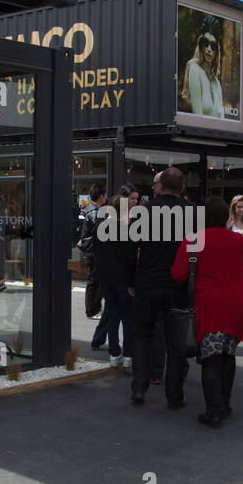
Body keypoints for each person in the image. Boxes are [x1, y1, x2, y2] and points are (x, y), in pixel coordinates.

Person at [171, 196, 243, 427]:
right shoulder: (241, 242)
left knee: (211, 358)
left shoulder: (194, 240)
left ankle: (214, 411)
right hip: (238, 304)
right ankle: (225, 405)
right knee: (228, 355)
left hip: (210, 305)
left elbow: (178, 274)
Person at [130, 167, 192, 408]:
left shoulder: (144, 211)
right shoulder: (193, 213)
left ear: (160, 186)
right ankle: (174, 396)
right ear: (182, 188)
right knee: (176, 342)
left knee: (142, 335)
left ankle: (138, 387)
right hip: (178, 284)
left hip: (147, 281)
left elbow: (130, 247)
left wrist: (130, 281)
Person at [93, 196, 137, 369]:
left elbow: (97, 254)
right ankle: (127, 354)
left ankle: (114, 353)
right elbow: (131, 258)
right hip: (123, 279)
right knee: (127, 317)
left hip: (106, 279)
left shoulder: (99, 228)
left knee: (112, 315)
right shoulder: (125, 230)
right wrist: (133, 282)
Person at [79, 184, 109, 347]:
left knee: (94, 279)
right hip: (94, 250)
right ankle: (92, 309)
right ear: (101, 196)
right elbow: (97, 231)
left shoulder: (90, 209)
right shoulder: (94, 211)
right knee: (94, 279)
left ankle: (94, 308)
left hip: (91, 250)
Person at [181, 31, 225, 118]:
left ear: (216, 53)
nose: (209, 49)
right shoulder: (195, 71)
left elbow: (222, 118)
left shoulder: (216, 83)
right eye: (206, 44)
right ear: (201, 47)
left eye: (213, 47)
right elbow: (198, 116)